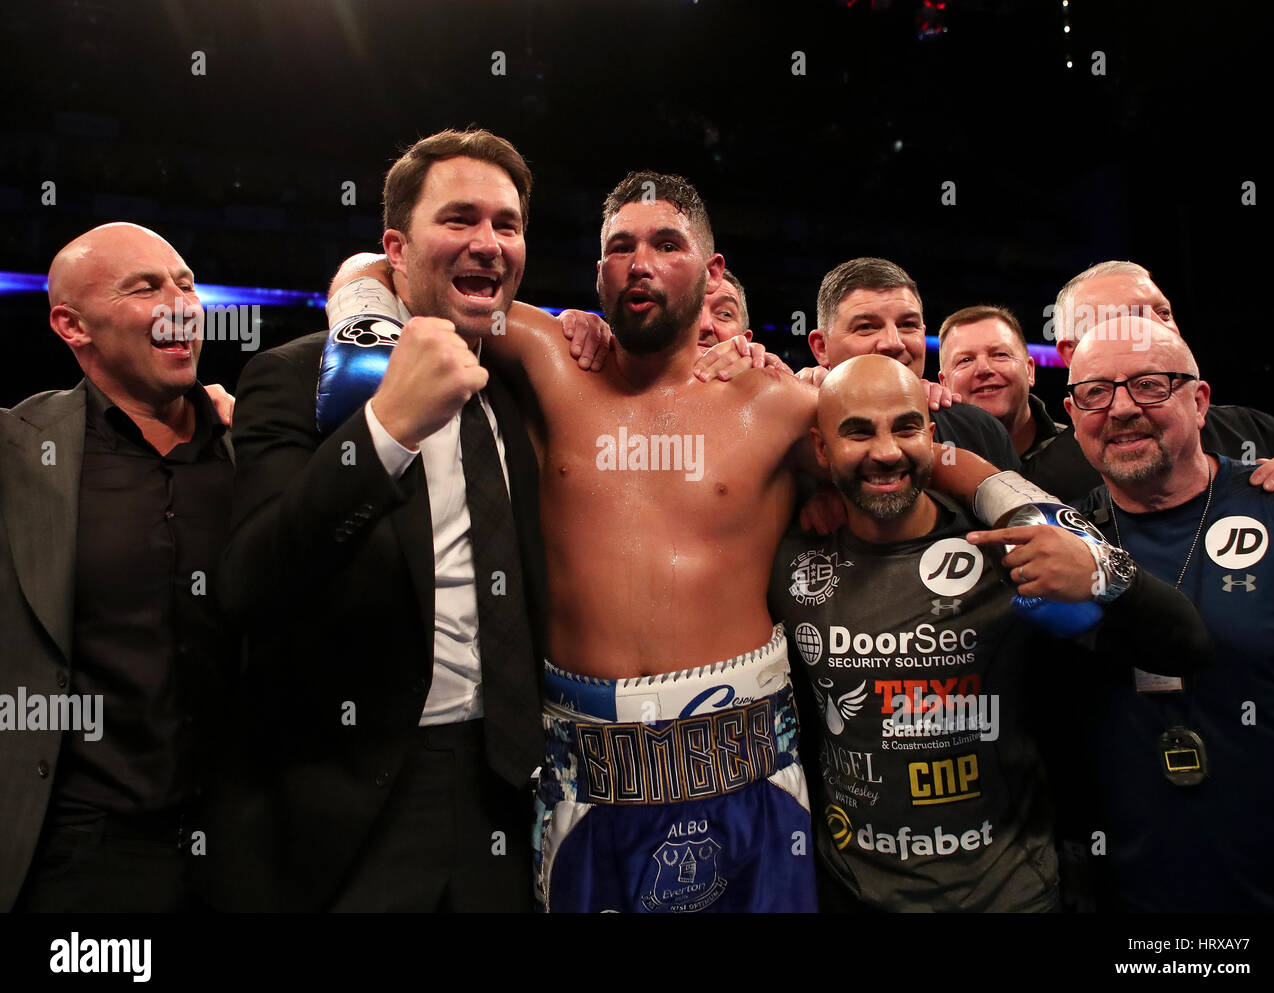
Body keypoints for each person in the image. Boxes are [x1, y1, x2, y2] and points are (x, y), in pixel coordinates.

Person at [325, 170, 1014, 912]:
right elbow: (394, 270)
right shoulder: (545, 355)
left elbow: (923, 457)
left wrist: (1039, 516)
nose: (641, 263)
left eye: (666, 243)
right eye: (620, 247)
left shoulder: (781, 401)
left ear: (713, 270)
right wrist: (362, 321)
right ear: (599, 273)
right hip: (587, 774)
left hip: (751, 769)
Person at [200, 129, 548, 912]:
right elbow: (250, 585)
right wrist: (386, 428)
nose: (489, 244)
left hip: (511, 781)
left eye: (507, 224)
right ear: (395, 246)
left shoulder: (525, 383)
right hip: (353, 792)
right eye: (459, 219)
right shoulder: (294, 377)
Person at [768, 354, 1211, 911]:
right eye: (858, 432)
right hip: (852, 891)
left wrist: (1106, 573)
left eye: (906, 427)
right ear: (822, 449)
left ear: (931, 436)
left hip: (1010, 893)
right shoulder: (790, 561)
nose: (886, 451)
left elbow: (1184, 646)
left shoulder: (1007, 550)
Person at [1, 223, 235, 912]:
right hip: (85, 844)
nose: (179, 303)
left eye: (187, 284)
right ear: (72, 325)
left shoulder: (251, 444)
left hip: (243, 840)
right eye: (146, 287)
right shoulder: (17, 453)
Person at [1058, 317, 1274, 910]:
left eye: (1149, 385)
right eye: (1096, 392)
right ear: (1071, 413)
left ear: (1200, 401)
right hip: (1133, 897)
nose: (1120, 410)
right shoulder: (1063, 541)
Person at [1025, 261, 1274, 499]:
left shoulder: (1257, 431)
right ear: (1072, 353)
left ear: (1201, 400)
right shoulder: (1046, 480)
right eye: (1131, 318)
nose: (1160, 327)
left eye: (1163, 313)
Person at [803, 257, 1021, 470]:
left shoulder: (979, 429)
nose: (894, 342)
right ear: (822, 347)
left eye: (907, 325)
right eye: (867, 327)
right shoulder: (792, 430)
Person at [938, 305, 1065, 462]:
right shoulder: (931, 462)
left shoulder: (1082, 452)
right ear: (944, 384)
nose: (983, 369)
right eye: (965, 360)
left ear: (1029, 371)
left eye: (1000, 354)